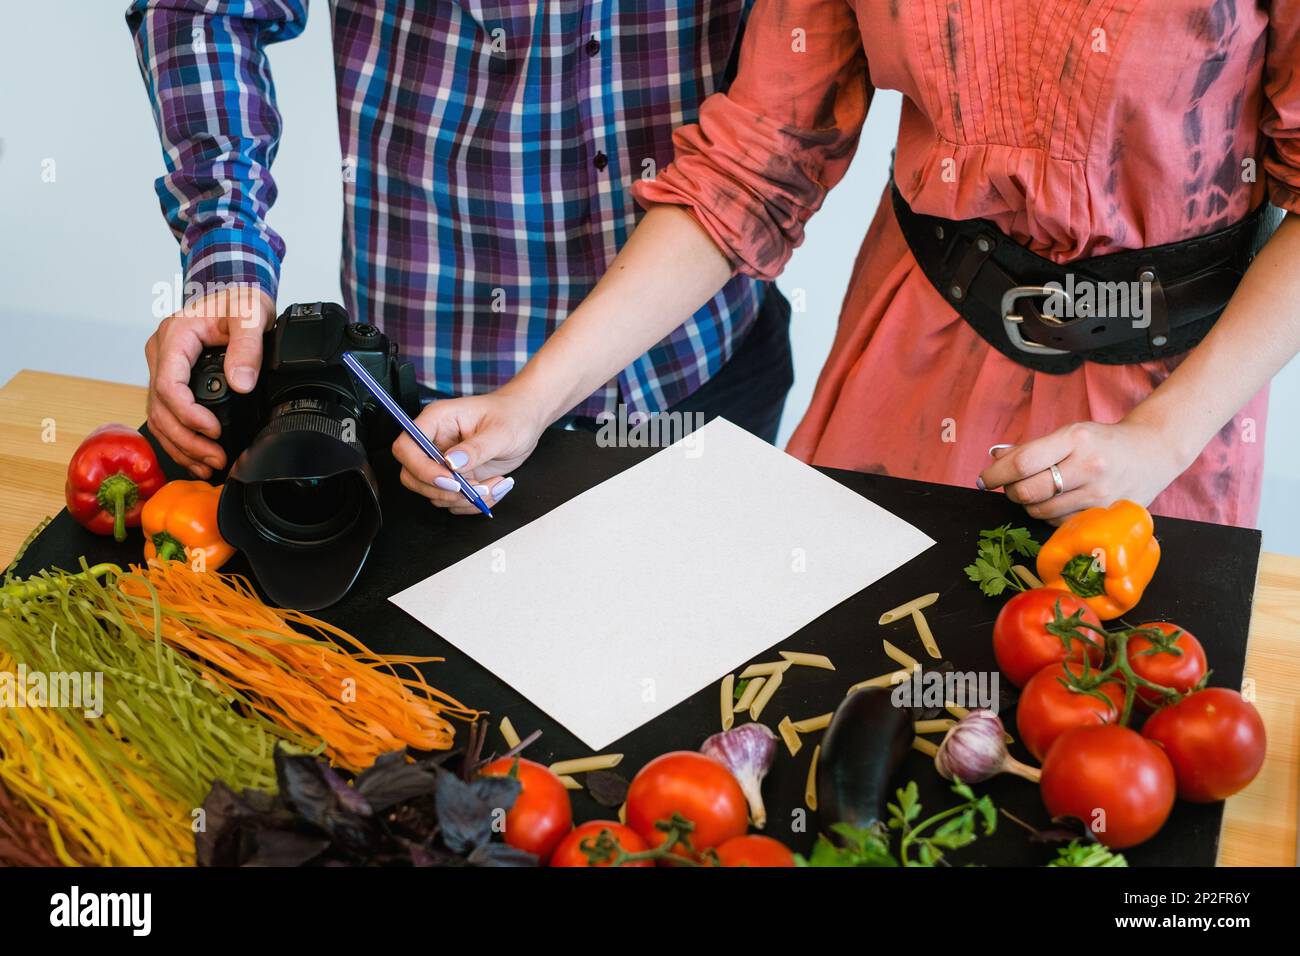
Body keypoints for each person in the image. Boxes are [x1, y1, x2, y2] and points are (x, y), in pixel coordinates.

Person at [405, 0, 1300, 523]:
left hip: (1169, 393)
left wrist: (1163, 437)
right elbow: (757, 165)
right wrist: (529, 401)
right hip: (910, 345)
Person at [128, 0, 794, 505]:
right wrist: (227, 256)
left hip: (703, 357)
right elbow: (204, 9)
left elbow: (773, 141)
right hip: (426, 392)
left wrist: (535, 399)